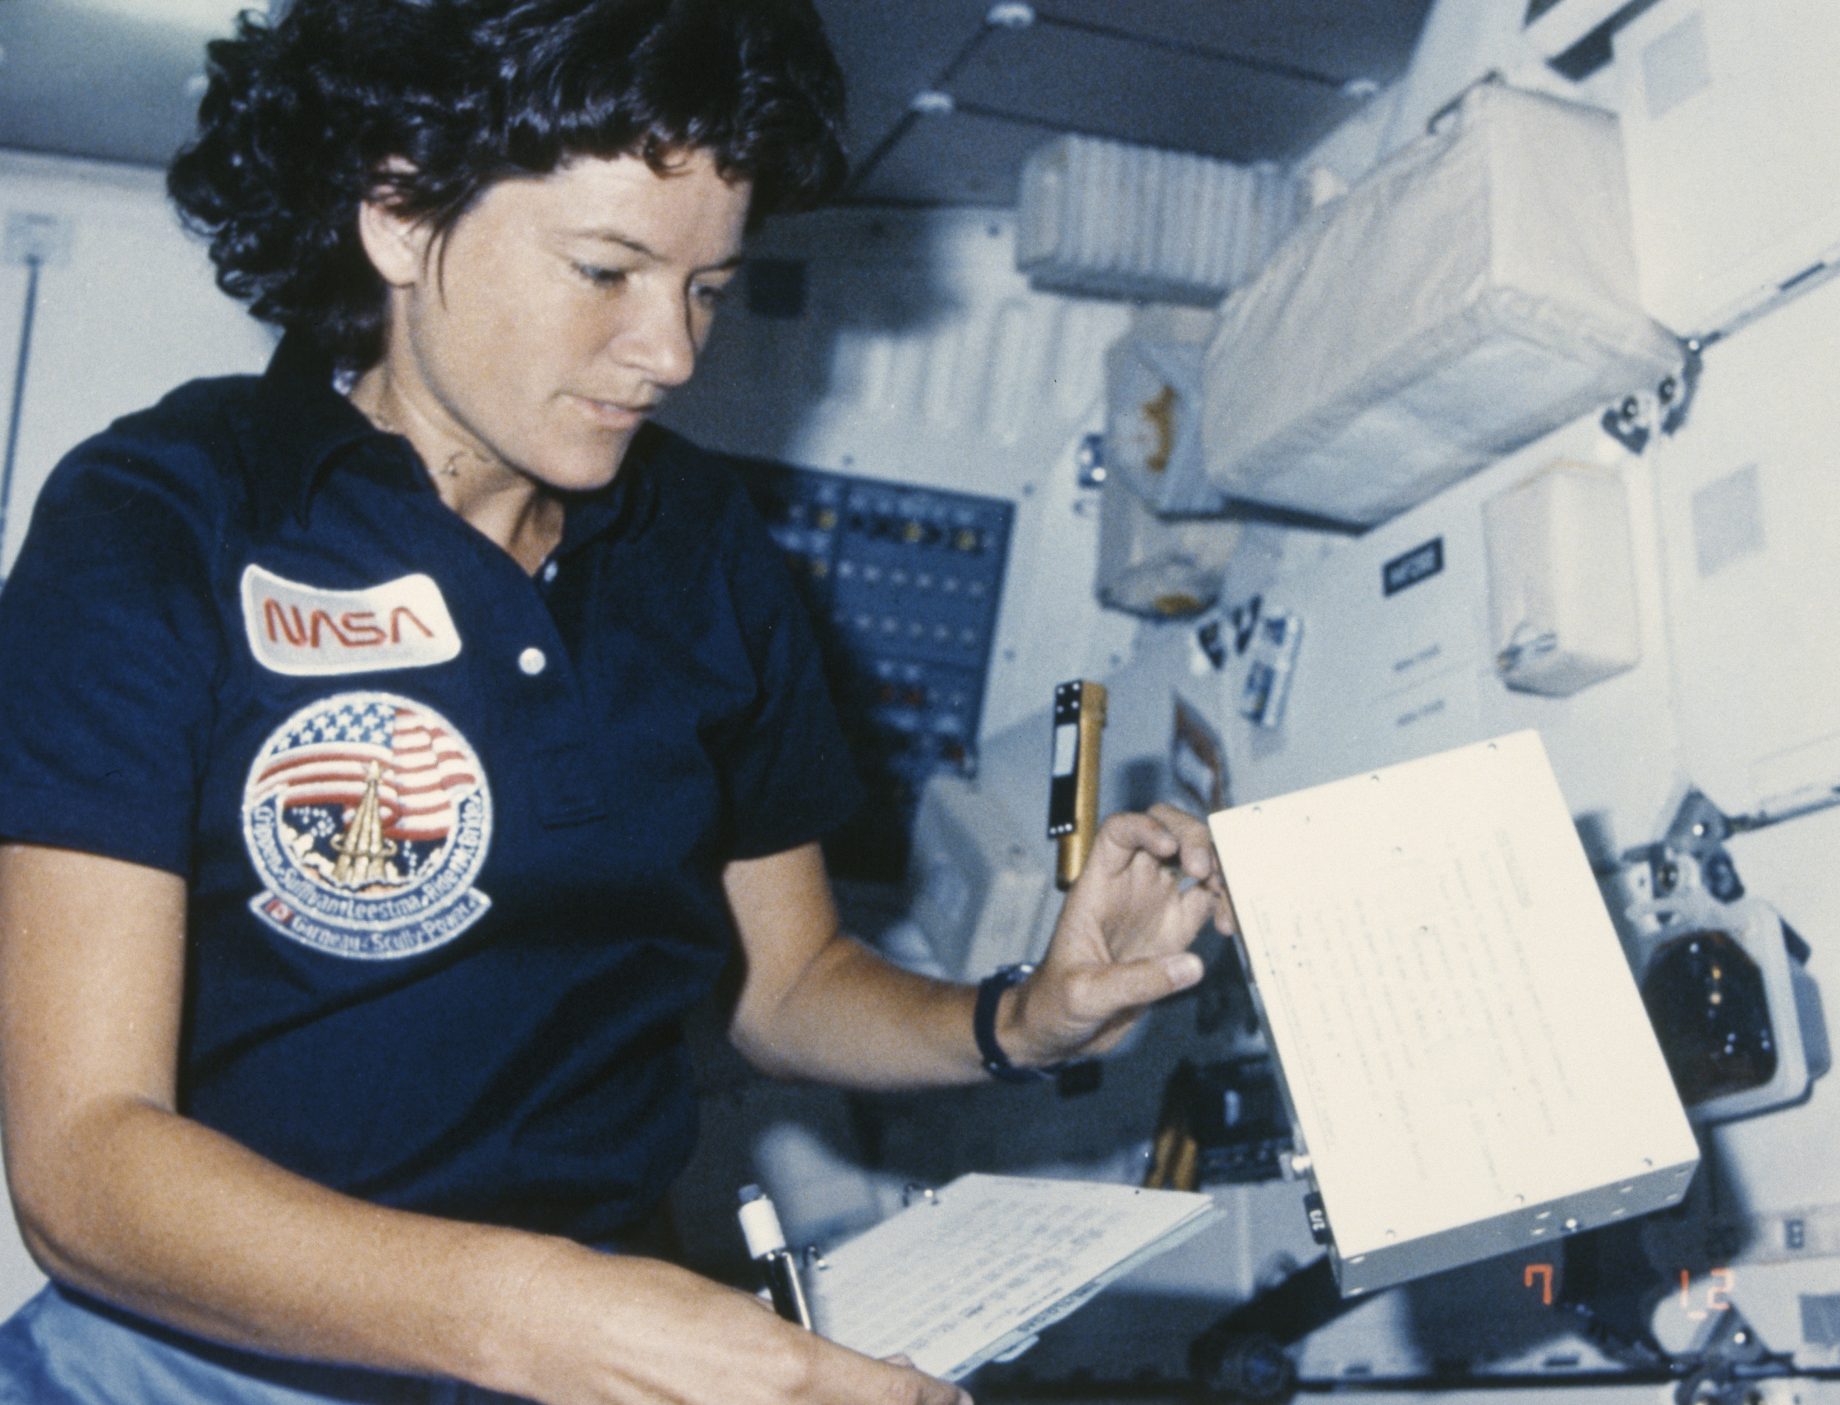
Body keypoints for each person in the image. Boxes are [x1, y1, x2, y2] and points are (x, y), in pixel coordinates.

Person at [0, 1, 1233, 1401]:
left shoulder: (700, 546)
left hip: (578, 1344)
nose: (673, 353)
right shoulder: (167, 518)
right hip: (206, 1359)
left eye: (706, 287)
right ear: (399, 213)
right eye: (606, 270)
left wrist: (1019, 1021)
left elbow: (787, 982)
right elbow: (84, 1166)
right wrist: (538, 1315)